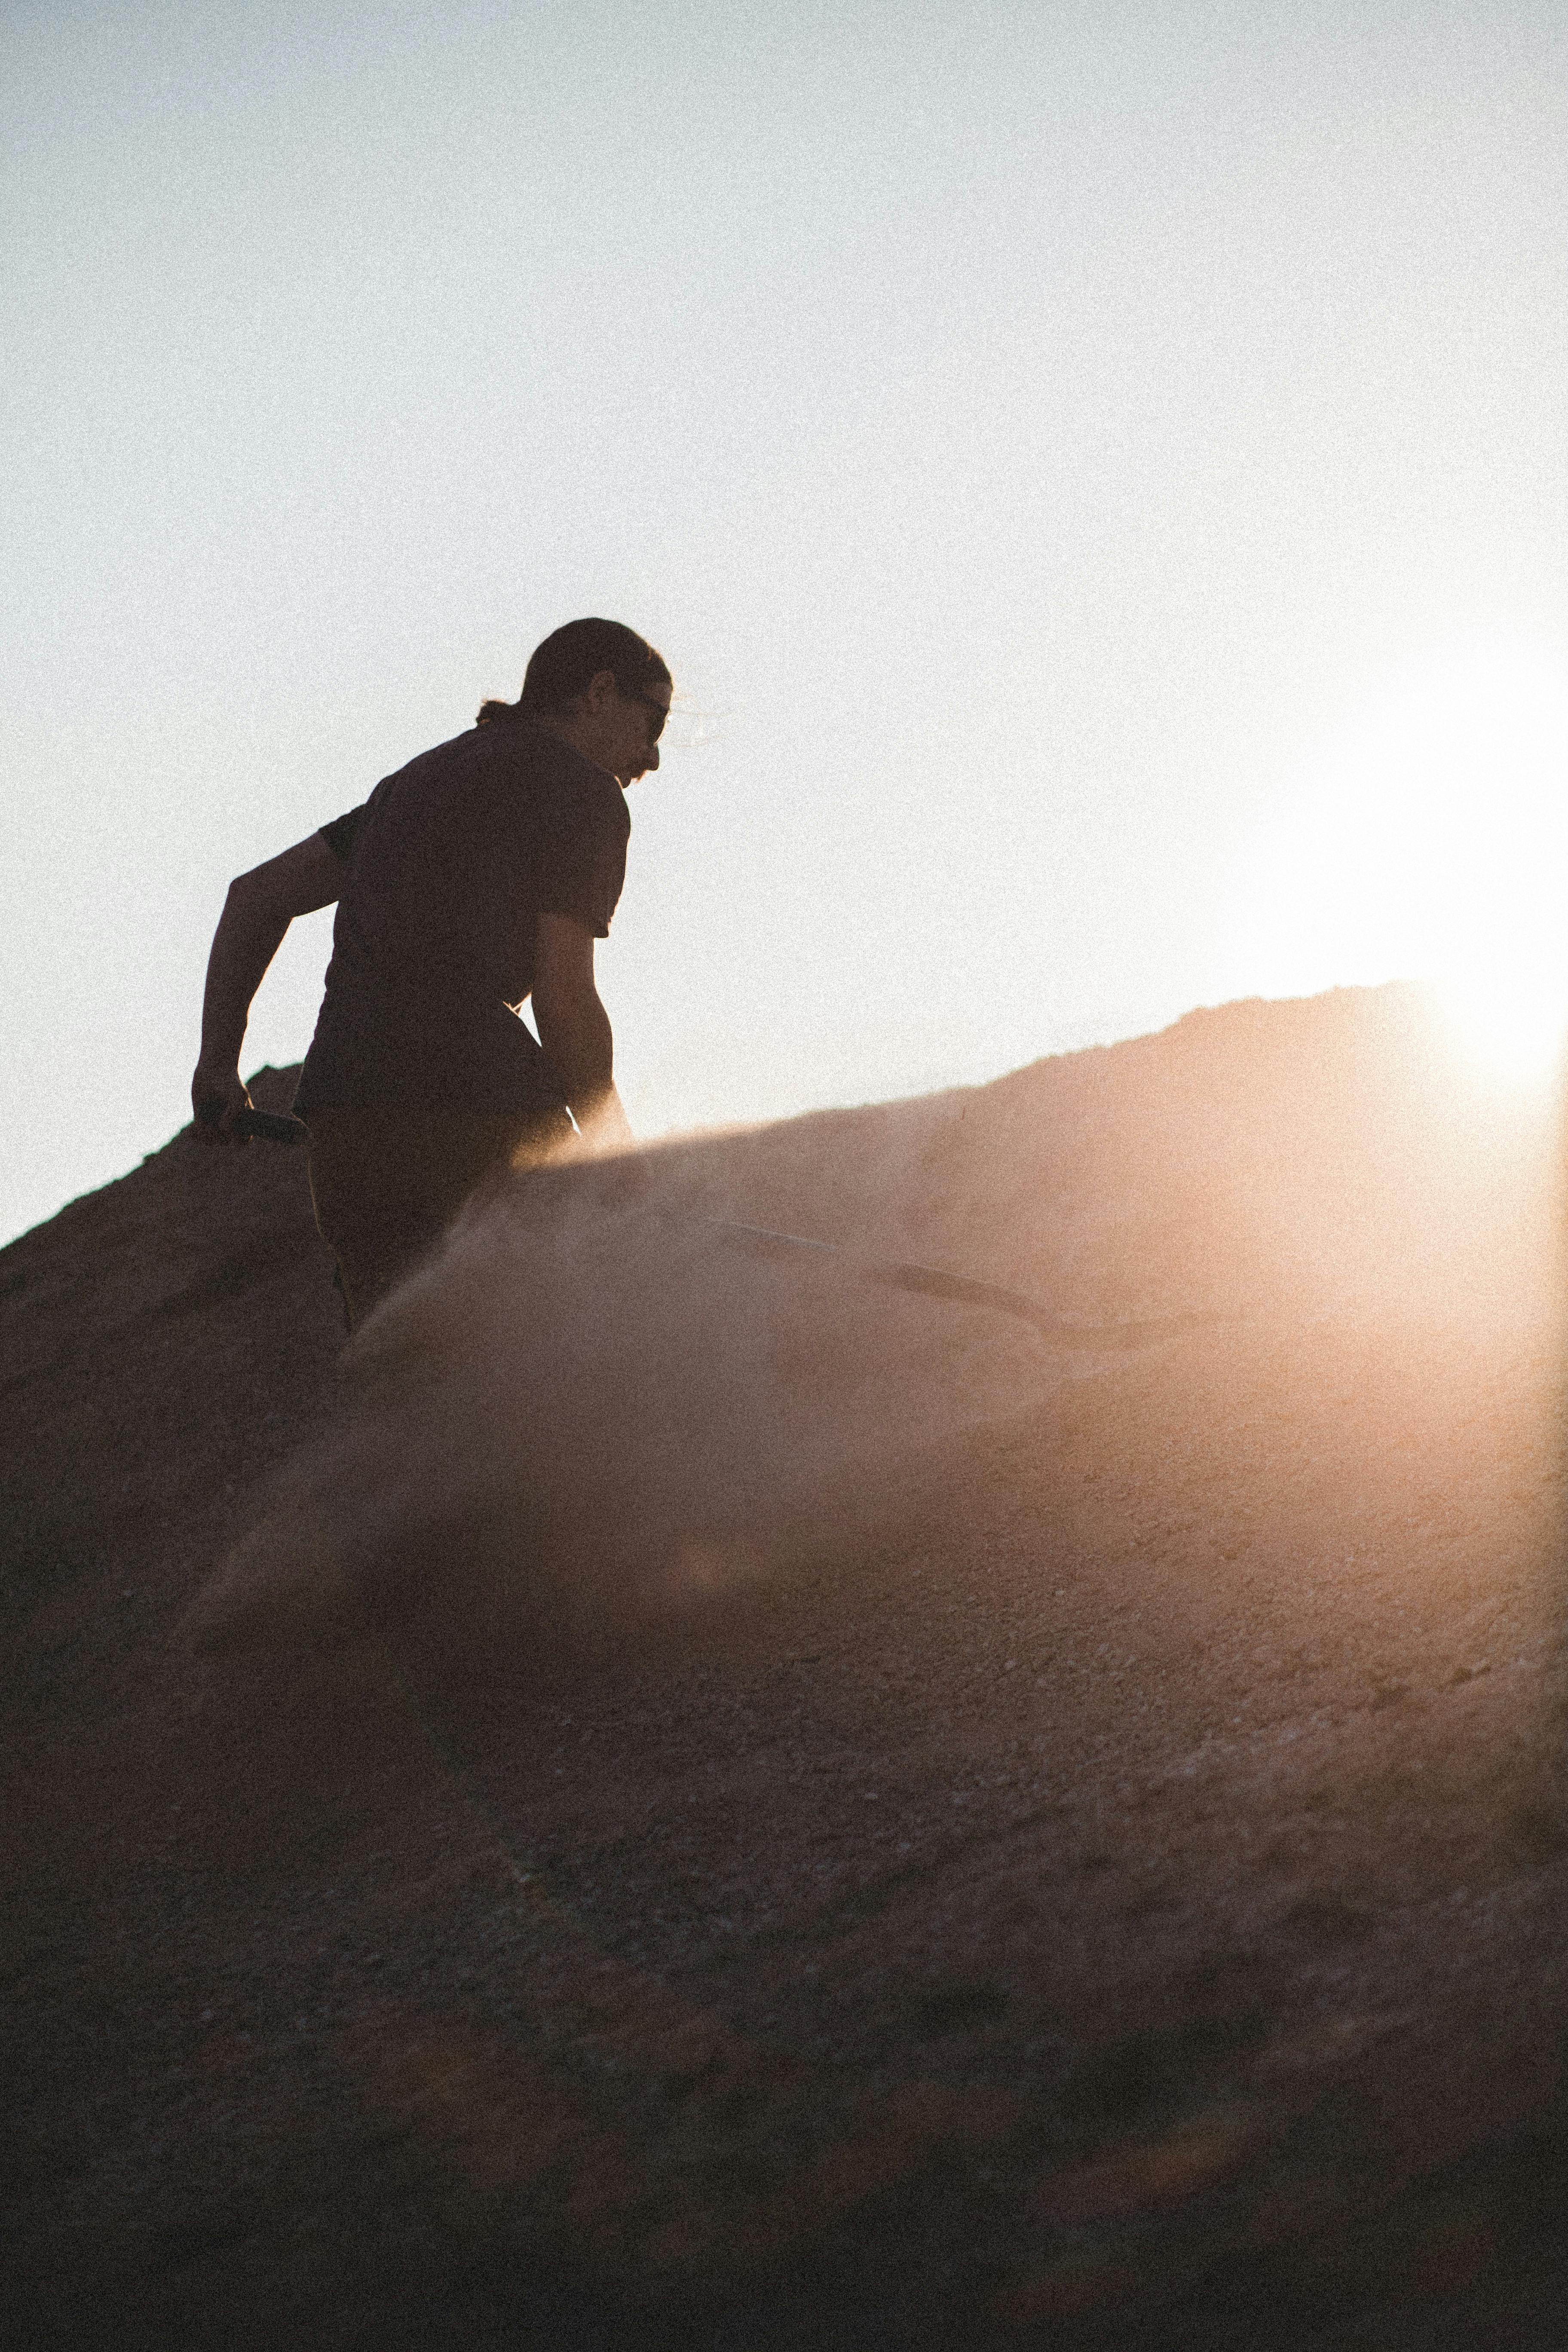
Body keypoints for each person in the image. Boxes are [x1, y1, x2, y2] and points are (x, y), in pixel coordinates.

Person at [191, 617, 672, 1329]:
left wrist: (217, 1068)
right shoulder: (585, 794)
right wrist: (613, 1153)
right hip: (479, 1104)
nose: (654, 756)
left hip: (347, 1122)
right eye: (652, 719)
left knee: (405, 1372)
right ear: (599, 693)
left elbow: (257, 896)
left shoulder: (415, 783)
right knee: (583, 1334)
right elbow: (564, 1000)